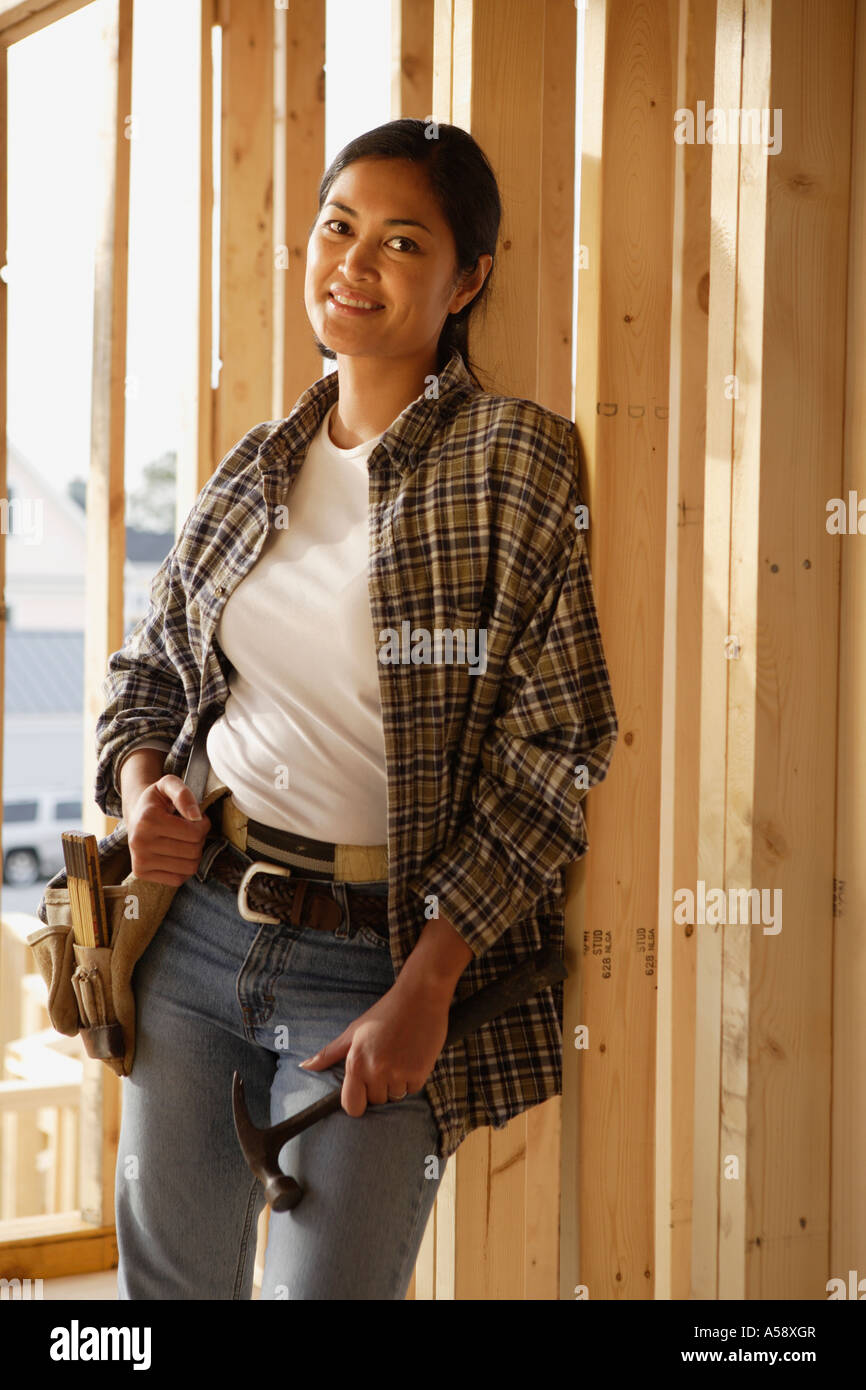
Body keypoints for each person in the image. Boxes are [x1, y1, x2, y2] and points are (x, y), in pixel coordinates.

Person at [94, 118, 619, 1301]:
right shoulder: (254, 464)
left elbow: (555, 750)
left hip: (376, 966)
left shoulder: (512, 460)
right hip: (194, 937)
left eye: (399, 241)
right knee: (165, 1298)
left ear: (466, 278)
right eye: (338, 226)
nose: (353, 263)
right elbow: (149, 675)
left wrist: (428, 983)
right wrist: (147, 795)